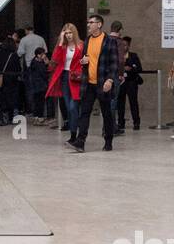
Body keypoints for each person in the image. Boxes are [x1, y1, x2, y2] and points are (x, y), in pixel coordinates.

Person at [70, 13, 118, 153]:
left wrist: (110, 80)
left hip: (103, 83)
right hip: (88, 83)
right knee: (84, 112)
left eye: (91, 22)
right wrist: (82, 61)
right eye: (88, 22)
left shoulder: (109, 41)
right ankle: (80, 142)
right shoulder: (87, 40)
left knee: (106, 113)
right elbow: (85, 60)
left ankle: (108, 141)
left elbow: (114, 63)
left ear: (99, 24)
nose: (88, 25)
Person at [46, 24, 83, 140]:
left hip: (76, 78)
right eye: (66, 33)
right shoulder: (62, 46)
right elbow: (55, 60)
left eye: (70, 33)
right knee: (68, 107)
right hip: (64, 78)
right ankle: (73, 134)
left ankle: (75, 132)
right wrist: (61, 42)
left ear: (74, 33)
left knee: (73, 107)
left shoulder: (81, 45)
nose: (68, 35)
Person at [116, 36, 143, 133]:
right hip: (121, 82)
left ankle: (136, 122)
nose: (124, 47)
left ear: (129, 46)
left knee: (133, 102)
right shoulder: (117, 56)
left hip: (131, 82)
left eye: (125, 45)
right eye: (122, 45)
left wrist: (131, 68)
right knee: (120, 103)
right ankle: (120, 122)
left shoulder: (133, 56)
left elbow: (139, 69)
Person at [0, 32, 20, 126]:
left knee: (1, 99)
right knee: (11, 99)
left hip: (1, 79)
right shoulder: (14, 55)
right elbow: (18, 69)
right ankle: (10, 118)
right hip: (12, 80)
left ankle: (1, 118)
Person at [26, 48, 52, 123]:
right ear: (38, 55)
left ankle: (37, 117)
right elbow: (43, 73)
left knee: (37, 101)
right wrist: (47, 65)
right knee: (40, 101)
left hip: (36, 85)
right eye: (43, 54)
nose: (44, 55)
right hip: (40, 85)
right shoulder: (38, 64)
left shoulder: (34, 62)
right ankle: (39, 117)